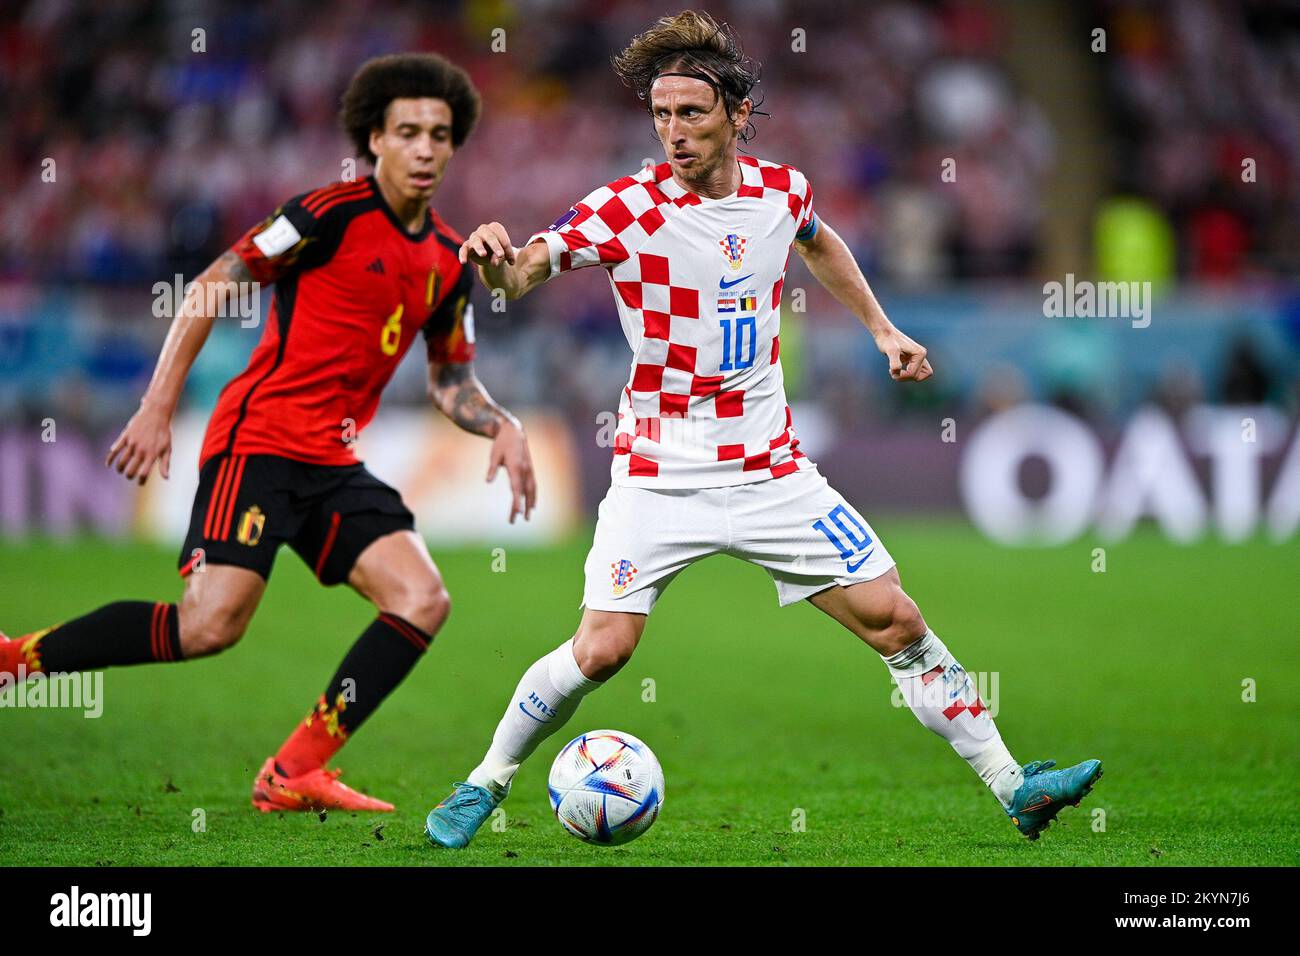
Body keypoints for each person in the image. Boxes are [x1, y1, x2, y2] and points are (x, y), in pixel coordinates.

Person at [424, 11, 1100, 847]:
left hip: (772, 469)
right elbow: (526, 269)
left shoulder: (783, 192)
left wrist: (883, 330)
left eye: (691, 114)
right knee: (602, 650)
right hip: (660, 467)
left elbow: (820, 243)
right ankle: (485, 781)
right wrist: (494, 260)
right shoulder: (627, 208)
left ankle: (1014, 784)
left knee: (897, 619)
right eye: (661, 115)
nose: (672, 133)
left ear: (738, 114)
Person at [1, 53, 536, 814]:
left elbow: (449, 379)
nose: (425, 148)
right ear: (374, 140)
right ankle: (16, 660)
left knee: (421, 598)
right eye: (407, 131)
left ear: (454, 146)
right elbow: (217, 280)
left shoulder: (449, 262)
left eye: (439, 134)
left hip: (332, 459)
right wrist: (159, 404)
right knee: (210, 627)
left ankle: (294, 770)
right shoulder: (324, 214)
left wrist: (504, 425)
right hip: (260, 441)